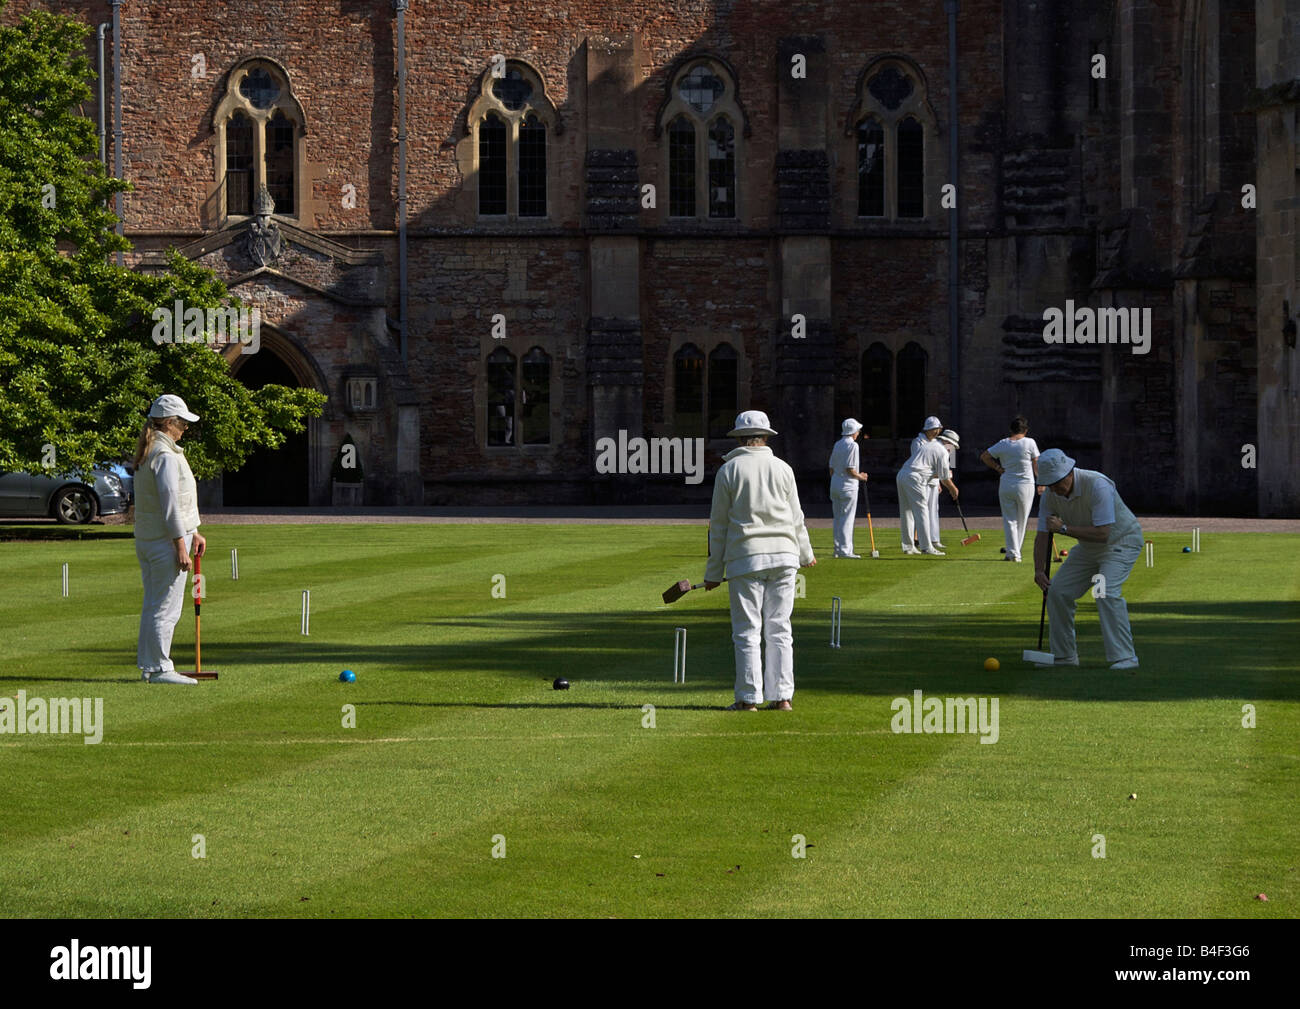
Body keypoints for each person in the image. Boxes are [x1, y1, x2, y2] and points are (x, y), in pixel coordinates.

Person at [705, 411, 817, 711]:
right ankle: (782, 697)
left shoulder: (728, 471)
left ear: (739, 439)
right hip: (785, 555)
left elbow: (719, 525)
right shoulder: (783, 468)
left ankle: (748, 698)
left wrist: (713, 572)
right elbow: (796, 517)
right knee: (780, 628)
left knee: (747, 631)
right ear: (765, 437)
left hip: (746, 557)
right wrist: (806, 554)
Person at [1031, 449, 1142, 670]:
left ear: (1069, 473)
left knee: (1104, 591)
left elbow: (1103, 533)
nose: (1054, 489)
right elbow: (1042, 535)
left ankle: (1125, 657)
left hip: (1120, 543)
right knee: (1057, 592)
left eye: (1057, 483)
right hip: (1087, 548)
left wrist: (1063, 528)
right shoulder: (1051, 494)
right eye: (1049, 484)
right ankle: (1064, 656)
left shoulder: (1098, 485)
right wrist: (1039, 570)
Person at [133, 394, 207, 685]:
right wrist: (180, 545)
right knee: (166, 607)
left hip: (152, 539)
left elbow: (177, 502)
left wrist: (194, 531)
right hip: (165, 542)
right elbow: (170, 504)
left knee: (154, 604)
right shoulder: (164, 455)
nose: (185, 428)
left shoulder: (152, 450)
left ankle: (150, 665)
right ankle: (161, 667)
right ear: (168, 423)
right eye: (182, 423)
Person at [981, 416, 1041, 562]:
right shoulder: (1030, 442)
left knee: (1010, 520)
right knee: (1022, 520)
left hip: (1006, 485)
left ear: (1011, 430)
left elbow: (984, 456)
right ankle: (1014, 553)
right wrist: (1042, 482)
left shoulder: (1003, 443)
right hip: (1025, 486)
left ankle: (1012, 553)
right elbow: (1036, 464)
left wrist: (998, 468)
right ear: (1025, 430)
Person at [896, 428, 958, 555]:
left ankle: (908, 547)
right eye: (952, 447)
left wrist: (947, 480)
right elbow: (944, 478)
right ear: (947, 443)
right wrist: (953, 489)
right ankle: (927, 547)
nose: (951, 450)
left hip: (902, 475)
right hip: (914, 478)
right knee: (922, 512)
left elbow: (928, 470)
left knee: (907, 512)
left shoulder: (930, 445)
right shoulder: (942, 451)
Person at [827, 418, 868, 558]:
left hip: (835, 485)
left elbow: (831, 468)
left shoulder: (837, 444)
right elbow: (850, 469)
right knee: (847, 518)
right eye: (858, 431)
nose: (859, 433)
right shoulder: (853, 446)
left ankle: (838, 549)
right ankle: (845, 550)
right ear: (853, 431)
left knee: (838, 518)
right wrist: (861, 477)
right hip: (848, 486)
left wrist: (837, 480)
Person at [909, 417, 944, 550]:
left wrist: (939, 482)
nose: (936, 432)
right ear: (927, 429)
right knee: (922, 510)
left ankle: (934, 539)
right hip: (921, 481)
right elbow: (919, 463)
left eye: (938, 429)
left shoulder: (937, 443)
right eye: (934, 429)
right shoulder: (917, 442)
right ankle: (920, 539)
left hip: (934, 481)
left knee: (933, 510)